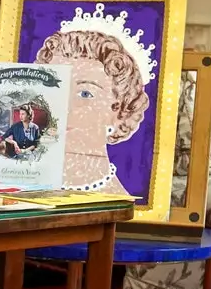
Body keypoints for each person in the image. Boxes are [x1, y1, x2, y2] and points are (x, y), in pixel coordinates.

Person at [35, 27, 151, 195]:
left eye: (85, 94)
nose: (63, 107)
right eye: (54, 89)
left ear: (118, 110)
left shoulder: (115, 201)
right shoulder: (16, 187)